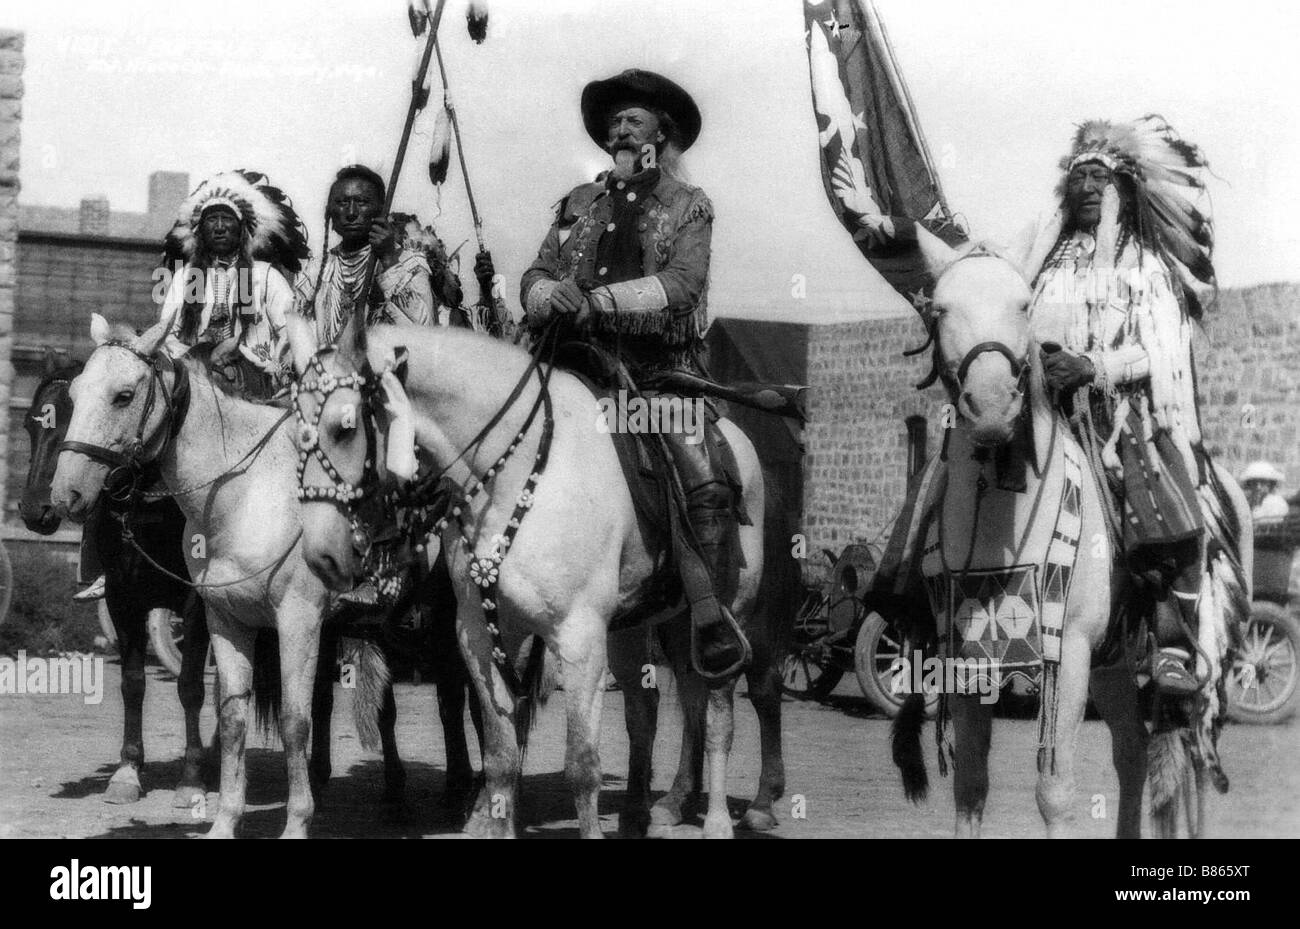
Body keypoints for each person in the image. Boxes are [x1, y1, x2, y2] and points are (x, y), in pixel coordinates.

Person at [518, 68, 748, 678]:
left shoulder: (687, 205)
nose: (621, 129)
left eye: (634, 120)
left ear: (660, 133)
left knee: (692, 458)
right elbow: (534, 274)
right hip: (569, 362)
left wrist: (599, 302)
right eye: (614, 121)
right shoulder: (578, 203)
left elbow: (683, 285)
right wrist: (550, 297)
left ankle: (706, 609)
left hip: (654, 373)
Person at [1021, 116, 1227, 695]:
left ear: (1122, 193)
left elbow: (1160, 350)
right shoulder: (1046, 265)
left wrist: (1094, 366)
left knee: (1171, 518)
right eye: (1079, 177)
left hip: (1120, 415)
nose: (1087, 187)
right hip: (1045, 405)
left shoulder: (1146, 265)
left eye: (1099, 179)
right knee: (959, 470)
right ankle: (930, 605)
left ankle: (1172, 651)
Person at [157, 170, 306, 399]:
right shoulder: (187, 277)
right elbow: (166, 335)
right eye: (211, 220)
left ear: (242, 228)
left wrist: (275, 373)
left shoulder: (264, 276)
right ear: (200, 230)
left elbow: (292, 333)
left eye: (227, 219)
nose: (219, 227)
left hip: (259, 391)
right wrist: (197, 361)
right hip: (198, 390)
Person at [293, 164, 437, 345]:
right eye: (342, 203)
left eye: (362, 202)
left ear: (380, 210)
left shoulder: (410, 263)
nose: (351, 212)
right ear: (330, 211)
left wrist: (388, 260)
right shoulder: (317, 270)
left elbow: (425, 333)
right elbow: (296, 339)